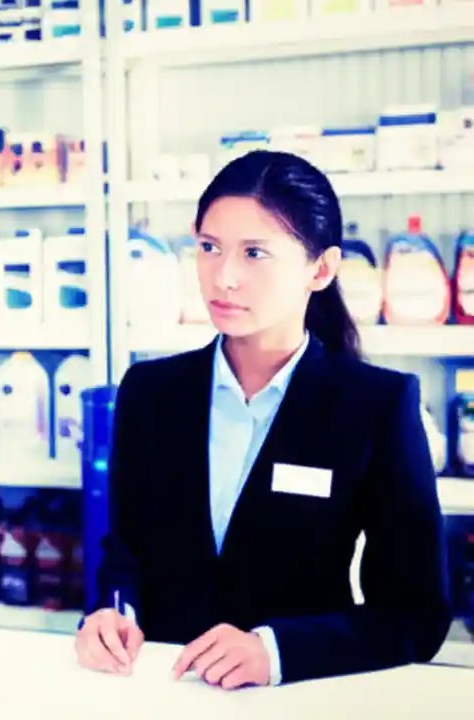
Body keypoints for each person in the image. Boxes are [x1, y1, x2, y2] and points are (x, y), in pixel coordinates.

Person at [75, 150, 451, 689]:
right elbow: (126, 554)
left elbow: (416, 616)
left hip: (296, 696)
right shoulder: (151, 392)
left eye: (255, 253)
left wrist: (275, 651)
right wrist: (113, 614)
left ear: (320, 269)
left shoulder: (374, 406)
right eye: (209, 248)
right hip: (161, 690)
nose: (223, 277)